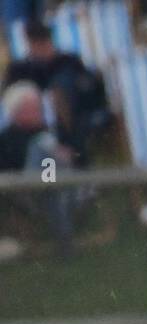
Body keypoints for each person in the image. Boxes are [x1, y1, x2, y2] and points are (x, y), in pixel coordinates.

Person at [2, 20, 109, 165]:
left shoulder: (69, 64)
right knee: (47, 168)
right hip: (32, 147)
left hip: (71, 132)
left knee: (54, 170)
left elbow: (90, 97)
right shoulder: (20, 70)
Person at [0, 81, 75, 249]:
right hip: (25, 192)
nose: (39, 111)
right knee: (41, 147)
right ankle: (64, 243)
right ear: (16, 112)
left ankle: (63, 243)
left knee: (46, 149)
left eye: (39, 106)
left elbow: (79, 157)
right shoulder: (6, 140)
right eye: (33, 108)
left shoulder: (53, 132)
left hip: (59, 185)